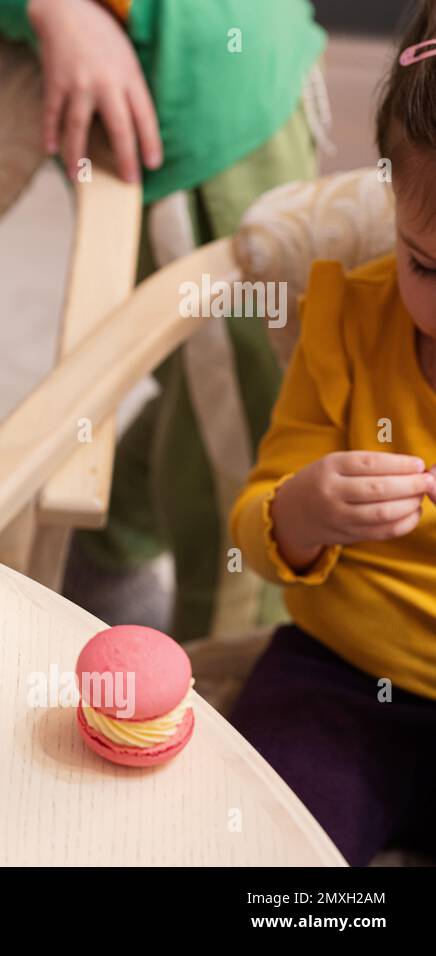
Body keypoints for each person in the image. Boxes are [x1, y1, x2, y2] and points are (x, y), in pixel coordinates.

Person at [0, 0, 326, 639]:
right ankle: (217, 672)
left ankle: (110, 551)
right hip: (190, 110)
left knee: (233, 396)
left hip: (265, 62)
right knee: (246, 433)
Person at [227, 1, 436, 866]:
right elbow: (255, 520)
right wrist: (303, 511)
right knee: (251, 843)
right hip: (342, 680)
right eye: (426, 264)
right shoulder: (347, 320)